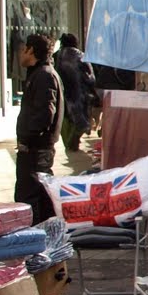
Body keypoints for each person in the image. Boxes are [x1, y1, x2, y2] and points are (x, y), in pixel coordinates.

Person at [14, 34, 62, 223]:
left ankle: (37, 242)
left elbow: (45, 114)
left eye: (23, 49)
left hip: (36, 150)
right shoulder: (39, 74)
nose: (20, 54)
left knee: (32, 200)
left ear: (31, 50)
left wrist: (28, 137)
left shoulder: (44, 76)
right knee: (37, 198)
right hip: (33, 149)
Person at [52, 33, 93, 155]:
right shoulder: (80, 56)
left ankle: (69, 143)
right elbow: (90, 77)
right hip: (78, 93)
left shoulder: (56, 56)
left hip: (61, 92)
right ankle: (73, 141)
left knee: (65, 118)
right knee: (81, 121)